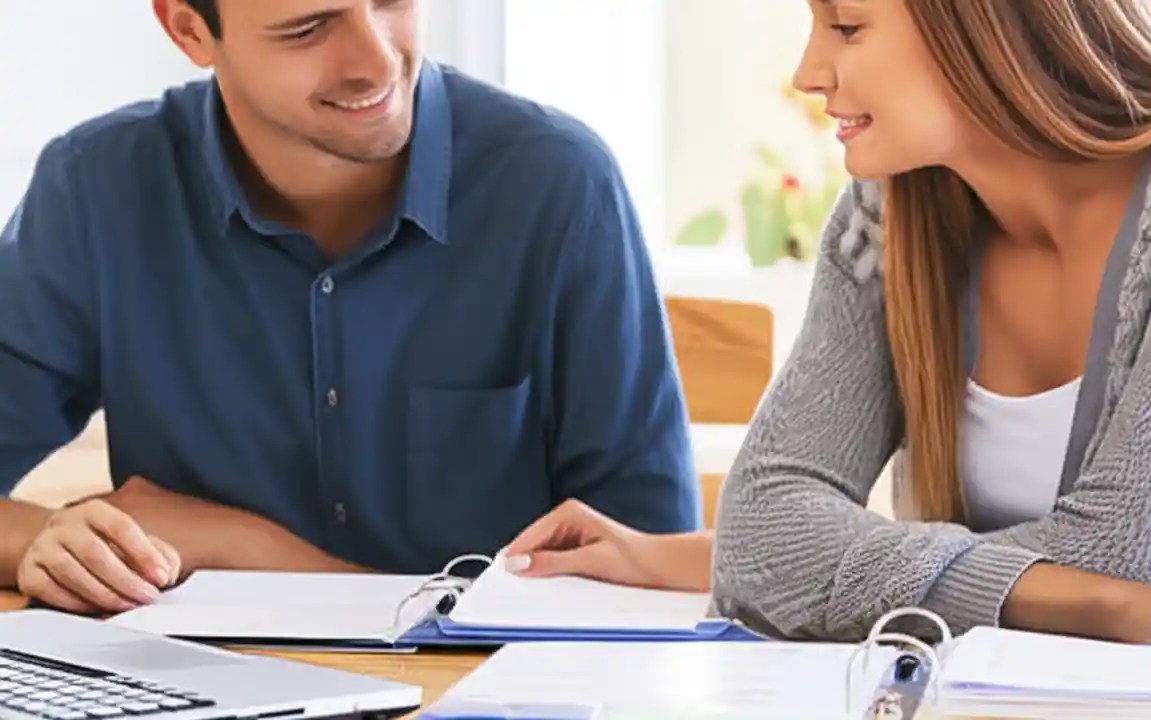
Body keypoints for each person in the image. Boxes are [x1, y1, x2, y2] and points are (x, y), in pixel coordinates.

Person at [502, 0, 1151, 654]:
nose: (808, 72)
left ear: (979, 24)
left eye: (846, 28)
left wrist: (787, 564)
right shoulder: (889, 214)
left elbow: (1132, 564)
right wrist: (726, 556)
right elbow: (765, 524)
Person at [0, 0, 700, 615]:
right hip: (195, 688)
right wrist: (46, 541)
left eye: (392, 0)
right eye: (307, 29)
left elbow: (647, 584)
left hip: (485, 695)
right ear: (190, 30)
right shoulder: (97, 186)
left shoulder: (557, 184)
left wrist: (251, 548)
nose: (375, 60)